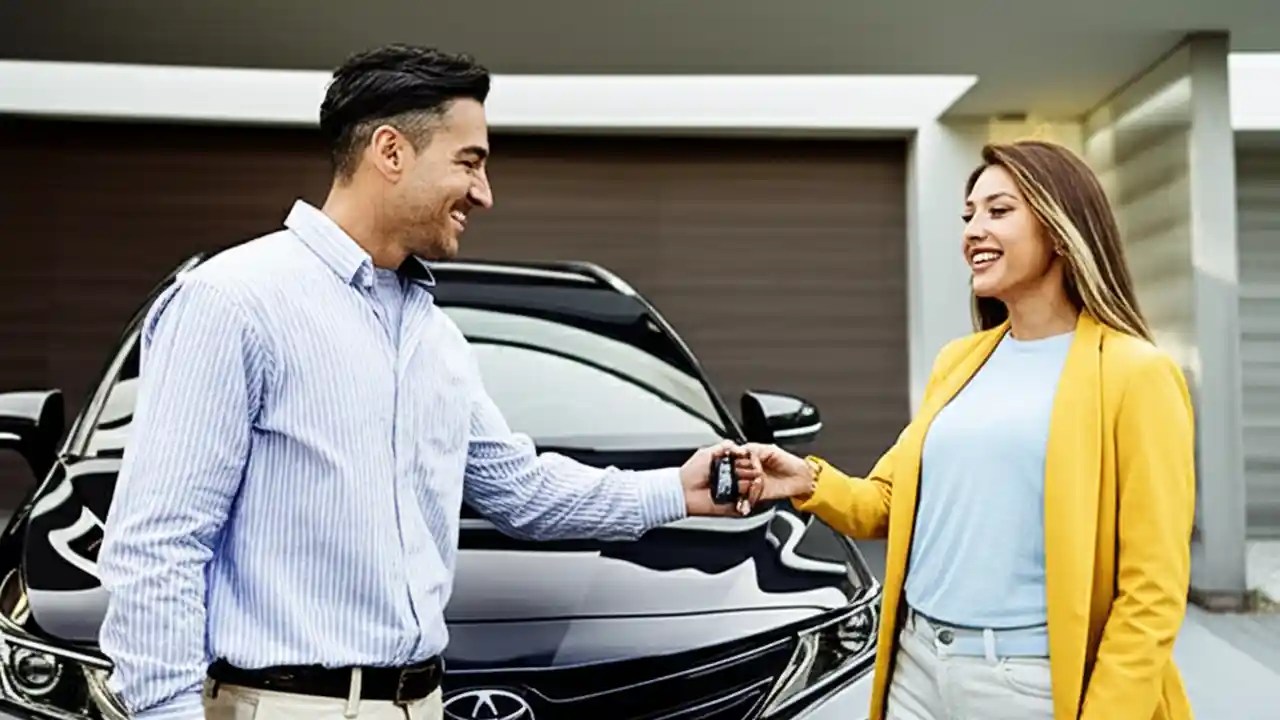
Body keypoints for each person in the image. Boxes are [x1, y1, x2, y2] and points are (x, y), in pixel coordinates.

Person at [96, 44, 759, 720]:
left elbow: (519, 490)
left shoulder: (432, 335)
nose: (484, 192)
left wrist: (680, 489)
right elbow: (159, 545)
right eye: (469, 162)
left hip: (421, 705)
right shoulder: (232, 302)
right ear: (391, 153)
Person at [739, 140, 1195, 720]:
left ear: (1060, 228)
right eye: (969, 215)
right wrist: (807, 479)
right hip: (917, 666)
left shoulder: (1135, 373)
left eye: (999, 211)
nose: (973, 230)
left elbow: (1152, 592)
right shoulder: (960, 361)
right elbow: (887, 501)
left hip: (1027, 685)